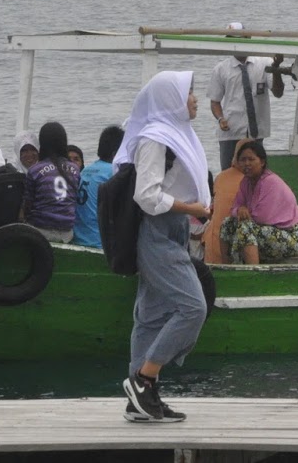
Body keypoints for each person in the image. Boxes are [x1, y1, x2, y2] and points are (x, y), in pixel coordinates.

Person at [115, 71, 210, 424]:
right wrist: (193, 209)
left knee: (151, 316)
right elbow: (147, 196)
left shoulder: (176, 134)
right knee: (193, 307)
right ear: (171, 99)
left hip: (173, 228)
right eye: (189, 93)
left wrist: (191, 218)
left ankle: (140, 403)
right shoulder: (155, 138)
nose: (195, 99)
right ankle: (144, 378)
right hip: (156, 230)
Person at [219, 139, 298, 264]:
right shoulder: (245, 182)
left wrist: (243, 211)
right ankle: (227, 267)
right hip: (269, 233)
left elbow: (262, 217)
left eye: (251, 159)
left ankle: (254, 274)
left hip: (294, 237)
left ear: (262, 162)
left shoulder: (270, 182)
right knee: (227, 224)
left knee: (245, 227)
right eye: (243, 160)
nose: (246, 164)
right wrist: (240, 209)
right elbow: (234, 208)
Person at [206, 27, 286, 170]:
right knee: (229, 176)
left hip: (256, 134)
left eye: (242, 40)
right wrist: (220, 119)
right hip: (230, 133)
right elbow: (215, 101)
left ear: (248, 39)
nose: (238, 44)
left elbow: (278, 92)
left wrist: (276, 68)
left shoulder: (265, 63)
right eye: (233, 40)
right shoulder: (221, 69)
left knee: (257, 175)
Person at [23, 121, 81, 242]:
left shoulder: (35, 170)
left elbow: (28, 205)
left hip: (41, 231)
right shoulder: (75, 170)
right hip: (67, 233)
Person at [74, 125, 124, 247]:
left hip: (78, 237)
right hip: (98, 241)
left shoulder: (85, 171)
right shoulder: (114, 172)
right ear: (115, 154)